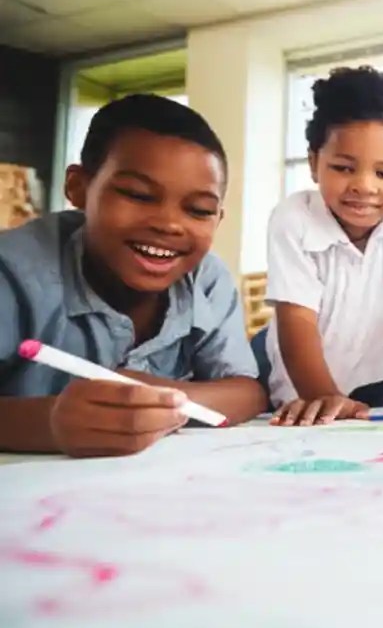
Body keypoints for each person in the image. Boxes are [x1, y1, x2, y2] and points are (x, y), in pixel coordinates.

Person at [0, 94, 265, 456]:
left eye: (199, 210)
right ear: (79, 187)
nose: (169, 224)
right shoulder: (14, 272)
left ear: (218, 218)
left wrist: (162, 399)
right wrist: (48, 422)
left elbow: (247, 391)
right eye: (137, 194)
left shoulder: (206, 279)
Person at [263, 66, 383, 426]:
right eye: (344, 168)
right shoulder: (293, 218)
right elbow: (296, 317)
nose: (364, 186)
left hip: (380, 386)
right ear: (315, 163)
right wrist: (322, 395)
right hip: (303, 391)